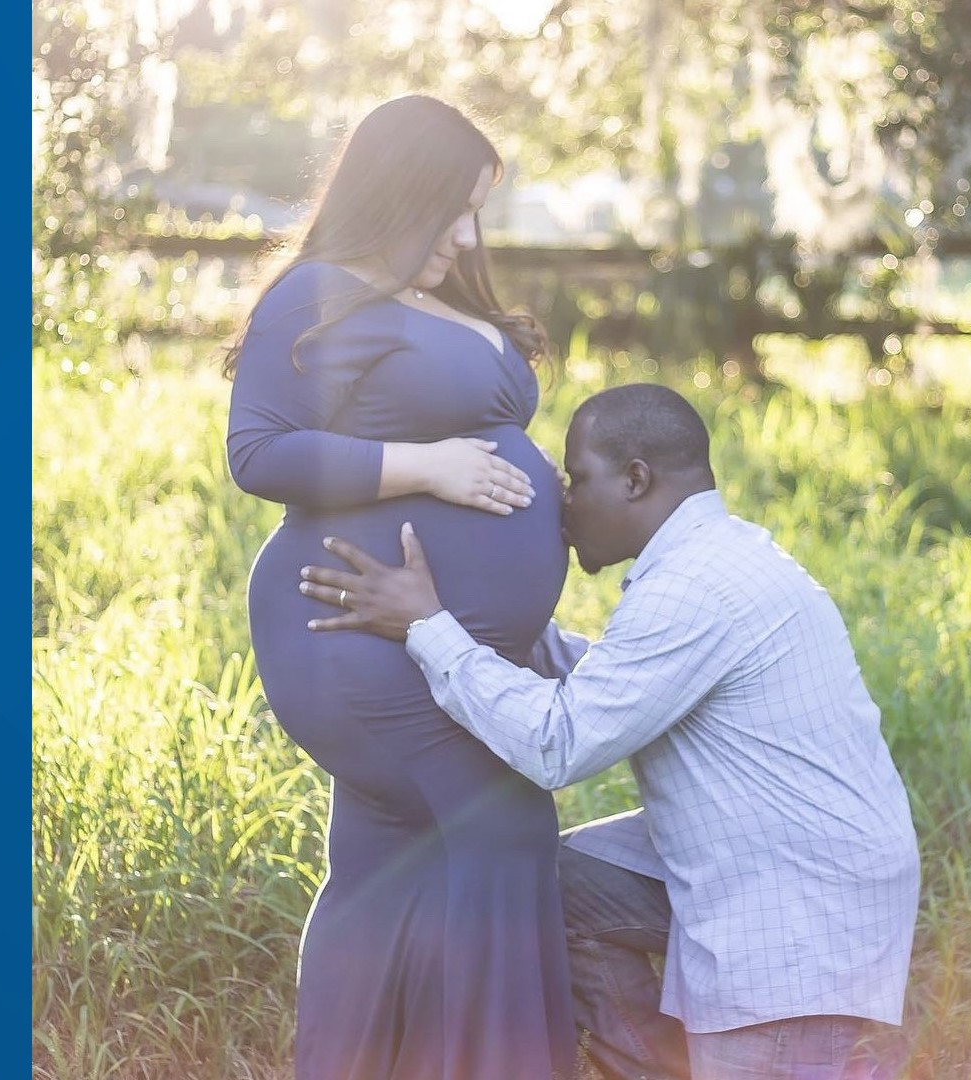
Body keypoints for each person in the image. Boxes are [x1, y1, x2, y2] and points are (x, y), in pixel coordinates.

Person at [298, 383, 924, 1079]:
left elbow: (557, 744)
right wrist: (495, 620)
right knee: (550, 880)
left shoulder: (694, 587)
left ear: (635, 479)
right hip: (774, 853)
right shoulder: (712, 558)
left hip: (793, 910)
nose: (565, 504)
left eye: (577, 478)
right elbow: (622, 681)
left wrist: (427, 627)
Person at [223, 94, 577, 1080]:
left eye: (477, 213)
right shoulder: (318, 292)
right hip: (351, 629)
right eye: (454, 209)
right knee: (503, 821)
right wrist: (427, 471)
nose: (466, 236)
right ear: (401, 193)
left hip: (443, 646)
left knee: (387, 869)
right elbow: (258, 452)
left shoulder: (438, 302)